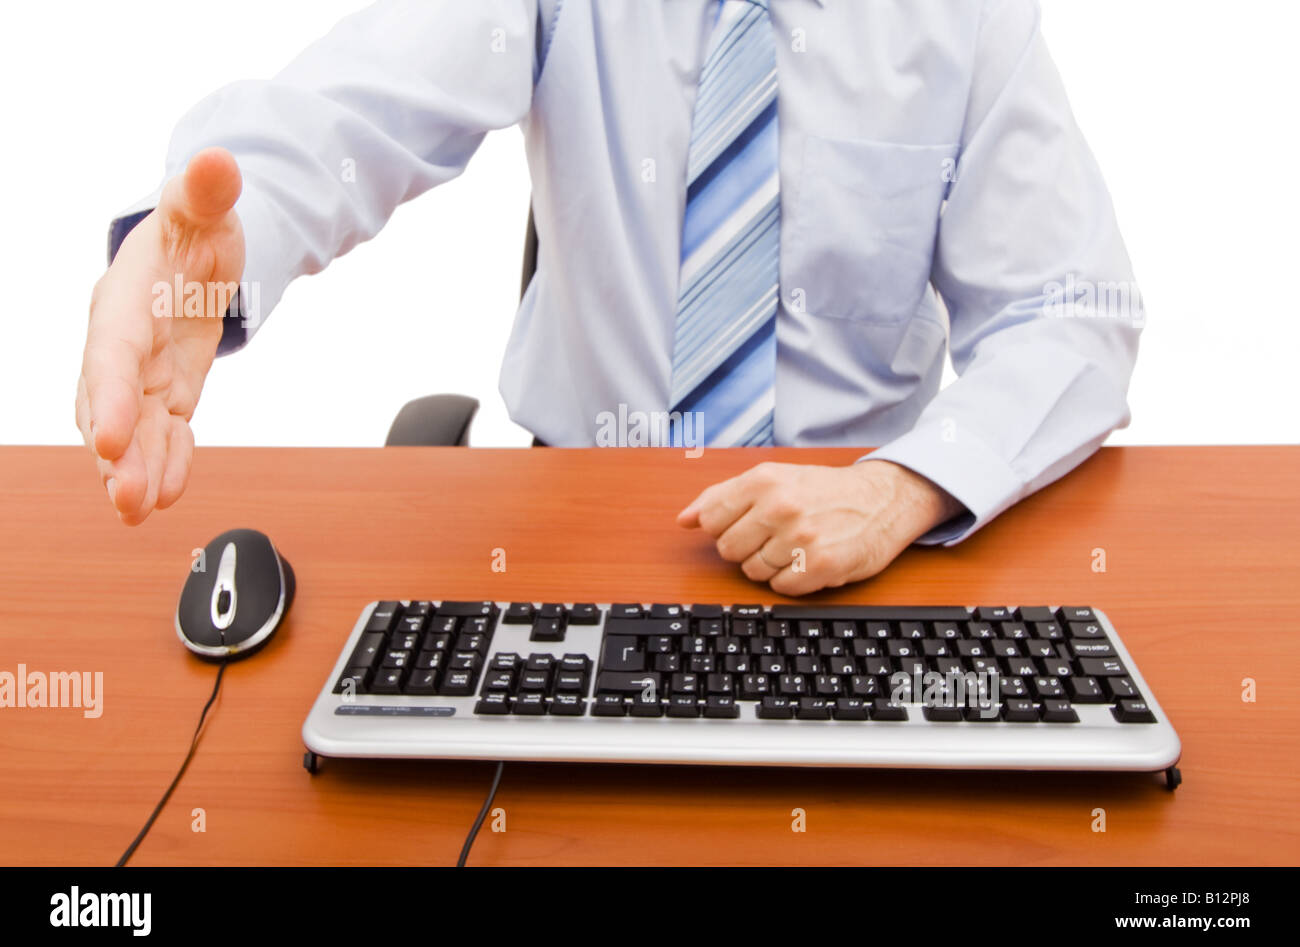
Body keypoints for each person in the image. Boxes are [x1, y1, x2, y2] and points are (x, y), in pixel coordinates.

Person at [76, 0, 1142, 596]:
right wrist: (200, 252)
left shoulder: (968, 20)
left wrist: (898, 492)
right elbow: (352, 105)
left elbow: (1065, 311)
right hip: (575, 535)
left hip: (864, 545)